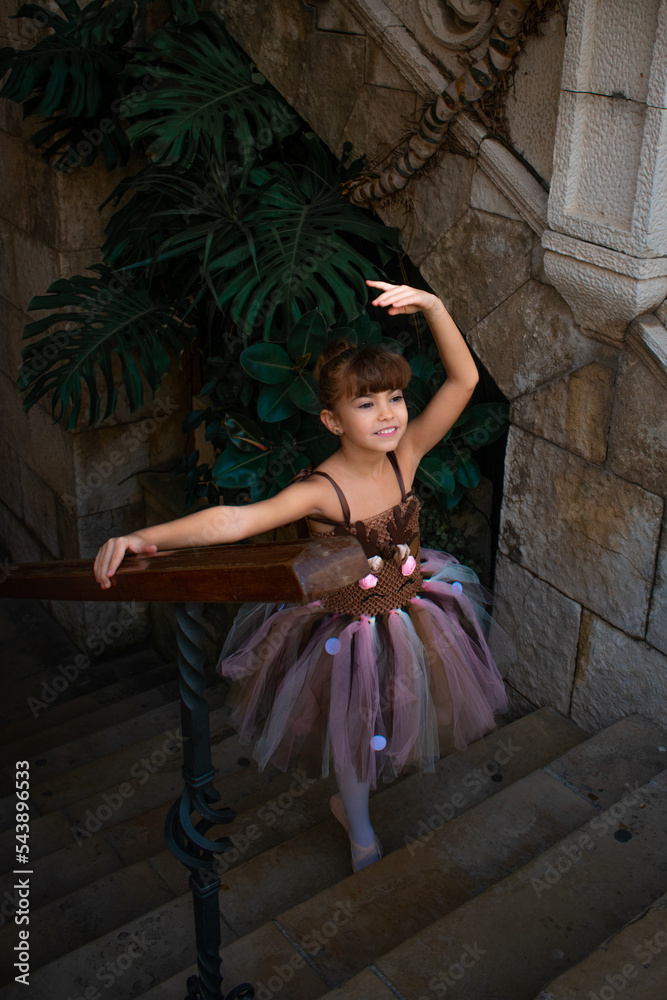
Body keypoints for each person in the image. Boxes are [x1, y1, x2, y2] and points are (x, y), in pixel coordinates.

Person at [93, 280, 513, 874]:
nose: (387, 413)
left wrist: (436, 307)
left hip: (414, 607)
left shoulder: (407, 453)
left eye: (393, 397)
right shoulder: (322, 490)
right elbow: (236, 519)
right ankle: (359, 821)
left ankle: (359, 799)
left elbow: (464, 382)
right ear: (332, 419)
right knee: (355, 719)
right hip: (349, 629)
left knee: (396, 708)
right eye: (365, 404)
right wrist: (146, 538)